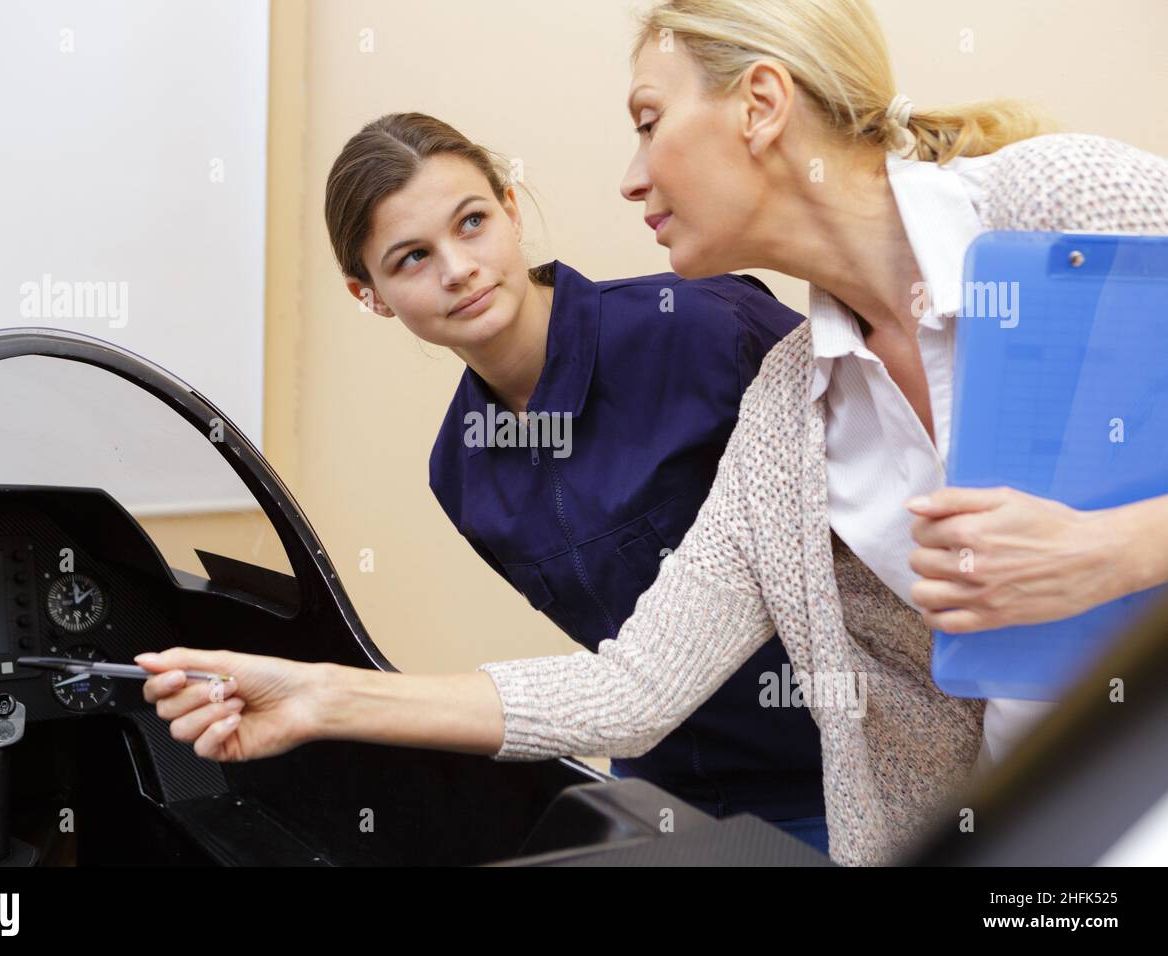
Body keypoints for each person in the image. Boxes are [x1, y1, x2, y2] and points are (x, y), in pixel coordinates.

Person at [138, 0, 1168, 865]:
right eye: (410, 258)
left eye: (647, 121)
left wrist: (1112, 550)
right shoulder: (786, 413)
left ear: (760, 105)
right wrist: (318, 695)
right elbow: (632, 686)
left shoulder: (1060, 203)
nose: (629, 177)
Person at [322, 112, 825, 851]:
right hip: (652, 794)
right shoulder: (458, 470)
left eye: (471, 222)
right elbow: (616, 669)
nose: (457, 268)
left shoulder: (711, 326)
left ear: (512, 210)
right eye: (412, 258)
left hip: (828, 783)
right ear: (368, 294)